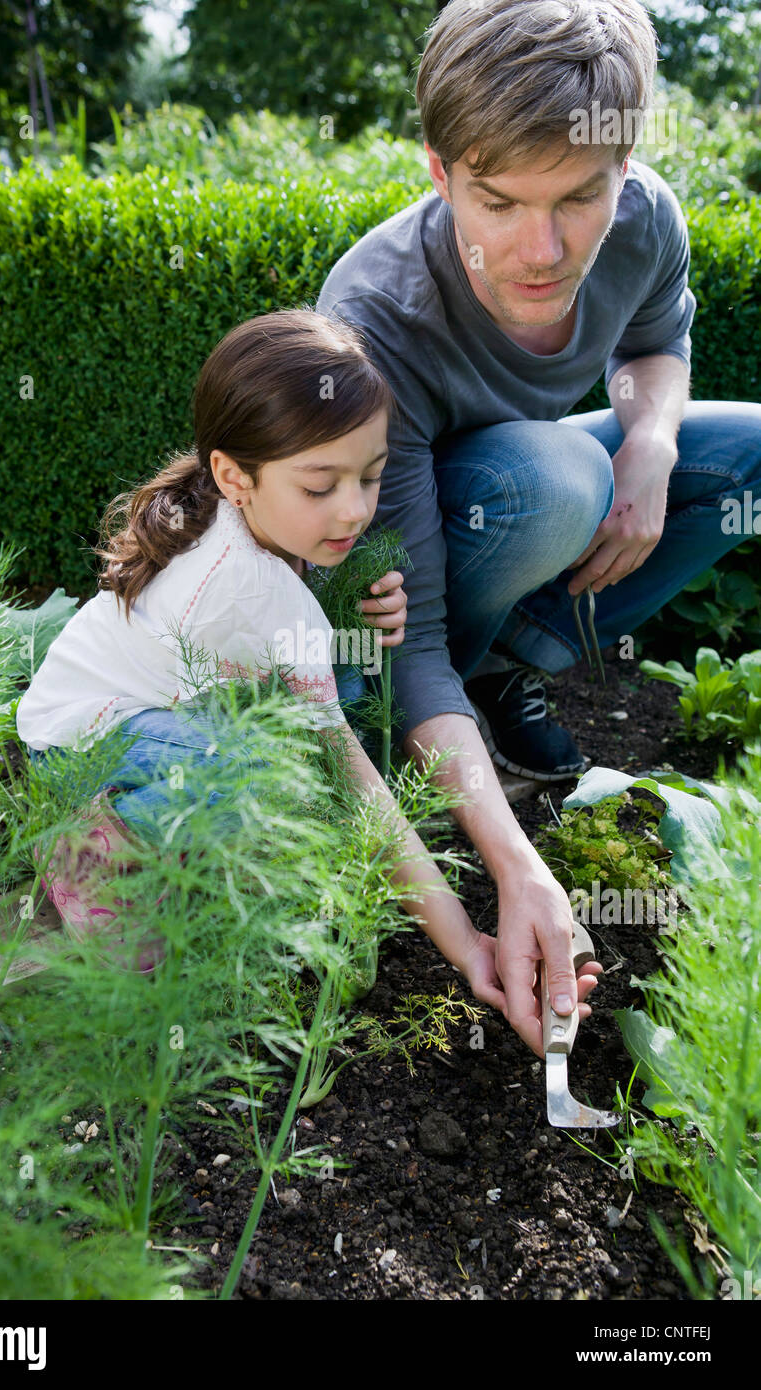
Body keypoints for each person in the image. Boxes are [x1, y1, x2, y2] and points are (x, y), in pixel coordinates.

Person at [314, 0, 761, 1054]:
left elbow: (658, 339)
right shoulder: (372, 317)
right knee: (555, 476)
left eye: (578, 196)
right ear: (436, 170)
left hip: (532, 506)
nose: (542, 247)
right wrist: (517, 867)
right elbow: (399, 634)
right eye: (497, 200)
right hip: (426, 580)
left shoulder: (644, 219)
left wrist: (649, 443)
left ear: (623, 168)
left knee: (736, 454)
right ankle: (466, 702)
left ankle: (516, 662)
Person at [15, 307, 604, 1031]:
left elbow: (296, 614)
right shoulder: (247, 593)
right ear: (235, 476)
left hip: (131, 712)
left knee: (292, 742)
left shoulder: (241, 517)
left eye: (372, 476)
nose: (354, 510)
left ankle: (163, 840)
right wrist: (462, 940)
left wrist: (353, 601)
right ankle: (87, 858)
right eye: (321, 487)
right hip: (81, 748)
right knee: (262, 781)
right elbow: (346, 771)